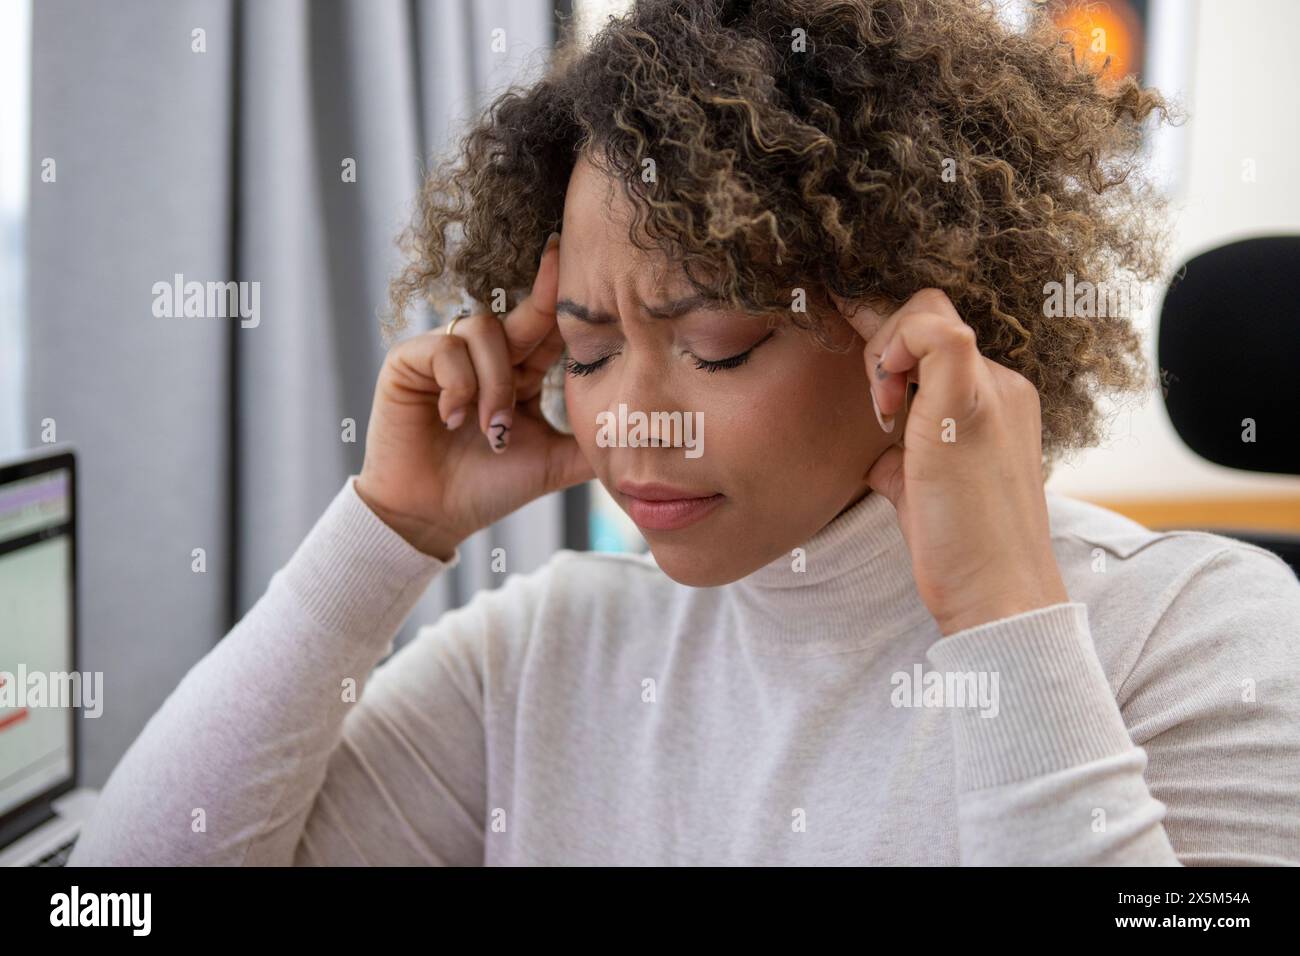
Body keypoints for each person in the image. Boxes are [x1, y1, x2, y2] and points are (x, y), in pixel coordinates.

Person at [71, 0, 1300, 866]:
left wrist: (998, 608)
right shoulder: (538, 655)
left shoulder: (1199, 635)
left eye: (716, 343)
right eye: (591, 349)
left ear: (924, 324)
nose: (626, 417)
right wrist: (383, 535)